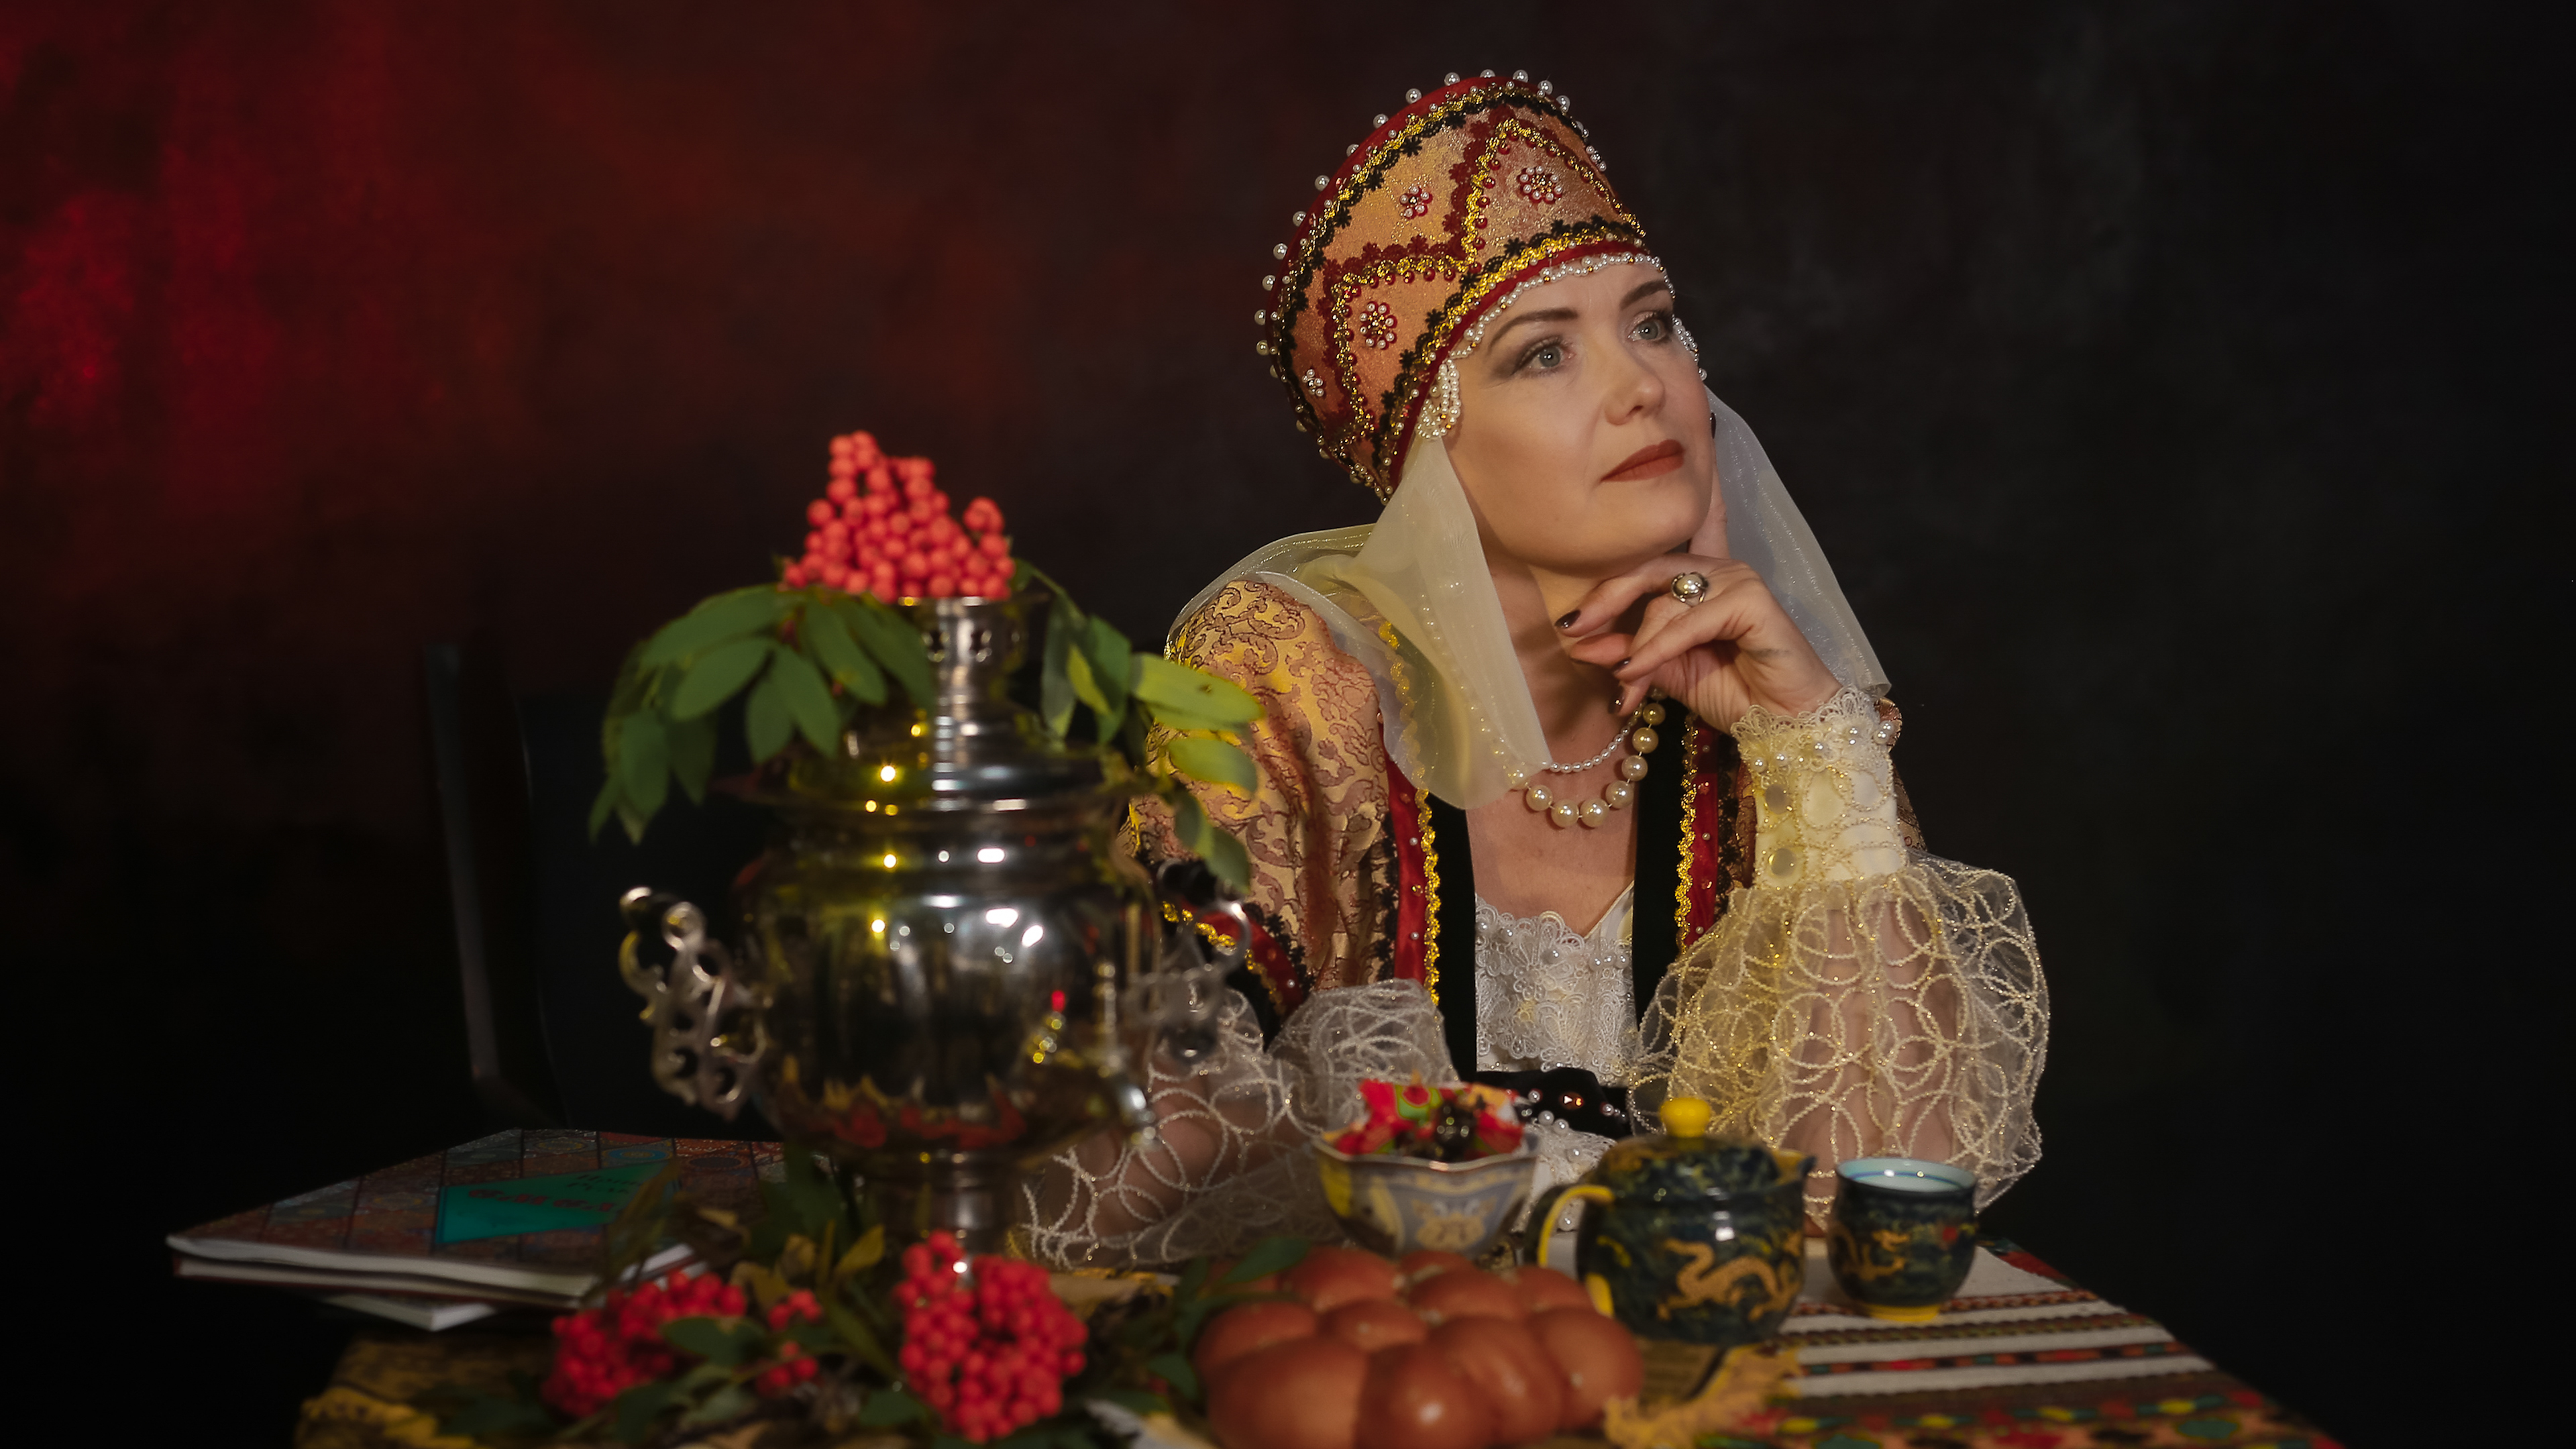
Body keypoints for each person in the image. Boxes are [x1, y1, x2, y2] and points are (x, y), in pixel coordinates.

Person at [1024, 72, 2045, 1268]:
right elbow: (1121, 1175)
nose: (1641, 387)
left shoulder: (1762, 718)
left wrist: (1817, 746)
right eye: (1544, 353)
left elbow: (1889, 1198)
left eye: (1653, 323)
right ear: (1428, 457)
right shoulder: (1295, 674)